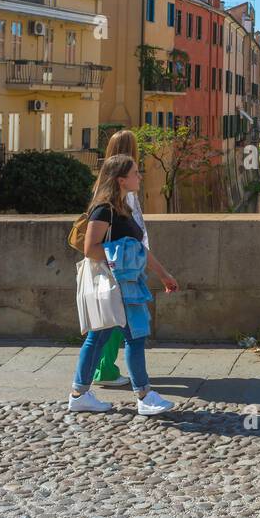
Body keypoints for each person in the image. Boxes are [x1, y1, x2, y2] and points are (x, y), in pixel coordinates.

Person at [69, 154, 179, 415]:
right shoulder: (104, 209)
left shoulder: (123, 208)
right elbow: (90, 249)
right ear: (121, 180)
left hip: (128, 283)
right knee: (134, 337)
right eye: (135, 173)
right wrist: (122, 254)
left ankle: (79, 394)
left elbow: (140, 249)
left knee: (100, 336)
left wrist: (164, 274)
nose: (140, 177)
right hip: (117, 285)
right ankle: (144, 395)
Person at [92, 129, 147, 388]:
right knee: (121, 321)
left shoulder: (103, 184)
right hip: (123, 261)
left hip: (111, 259)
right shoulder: (125, 187)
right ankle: (105, 371)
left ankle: (97, 373)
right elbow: (134, 225)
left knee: (109, 320)